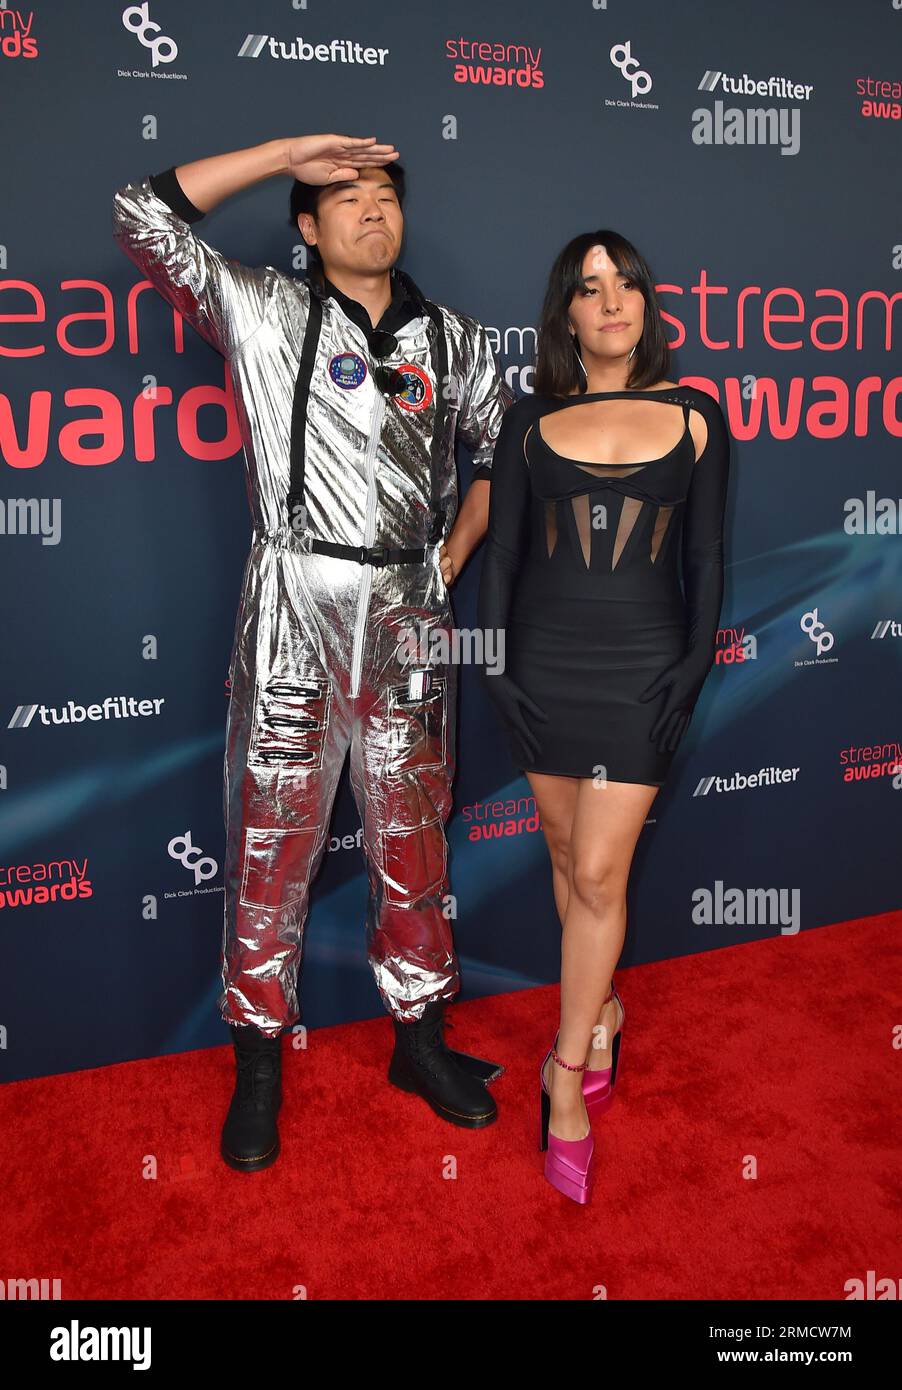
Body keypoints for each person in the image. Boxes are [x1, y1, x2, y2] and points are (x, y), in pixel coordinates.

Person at [112, 133, 513, 1172]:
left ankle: (419, 1044)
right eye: (344, 196)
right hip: (294, 594)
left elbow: (502, 447)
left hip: (406, 610)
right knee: (270, 843)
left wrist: (446, 560)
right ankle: (256, 1063)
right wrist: (292, 150)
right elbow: (140, 216)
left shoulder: (452, 340)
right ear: (306, 226)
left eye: (384, 195)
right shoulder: (263, 309)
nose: (371, 210)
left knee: (412, 838)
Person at [477, 234, 730, 1203]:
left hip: (639, 670)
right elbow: (498, 558)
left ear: (643, 307)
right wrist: (493, 664)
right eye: (589, 289)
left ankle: (563, 1071)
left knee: (594, 870)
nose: (610, 300)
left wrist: (696, 658)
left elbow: (704, 560)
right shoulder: (528, 421)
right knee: (559, 853)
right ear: (566, 316)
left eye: (624, 283)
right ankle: (606, 1011)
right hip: (542, 664)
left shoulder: (696, 416)